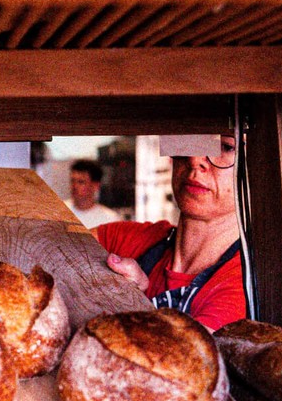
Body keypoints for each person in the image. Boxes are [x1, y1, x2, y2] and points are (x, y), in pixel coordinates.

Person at [97, 134, 248, 332]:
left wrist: (132, 305)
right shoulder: (122, 239)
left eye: (226, 147)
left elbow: (182, 358)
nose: (194, 159)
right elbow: (50, 247)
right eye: (188, 139)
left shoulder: (240, 284)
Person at [65, 160, 121, 229]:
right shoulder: (58, 212)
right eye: (72, 181)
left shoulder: (110, 220)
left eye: (81, 182)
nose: (74, 186)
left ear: (95, 186)